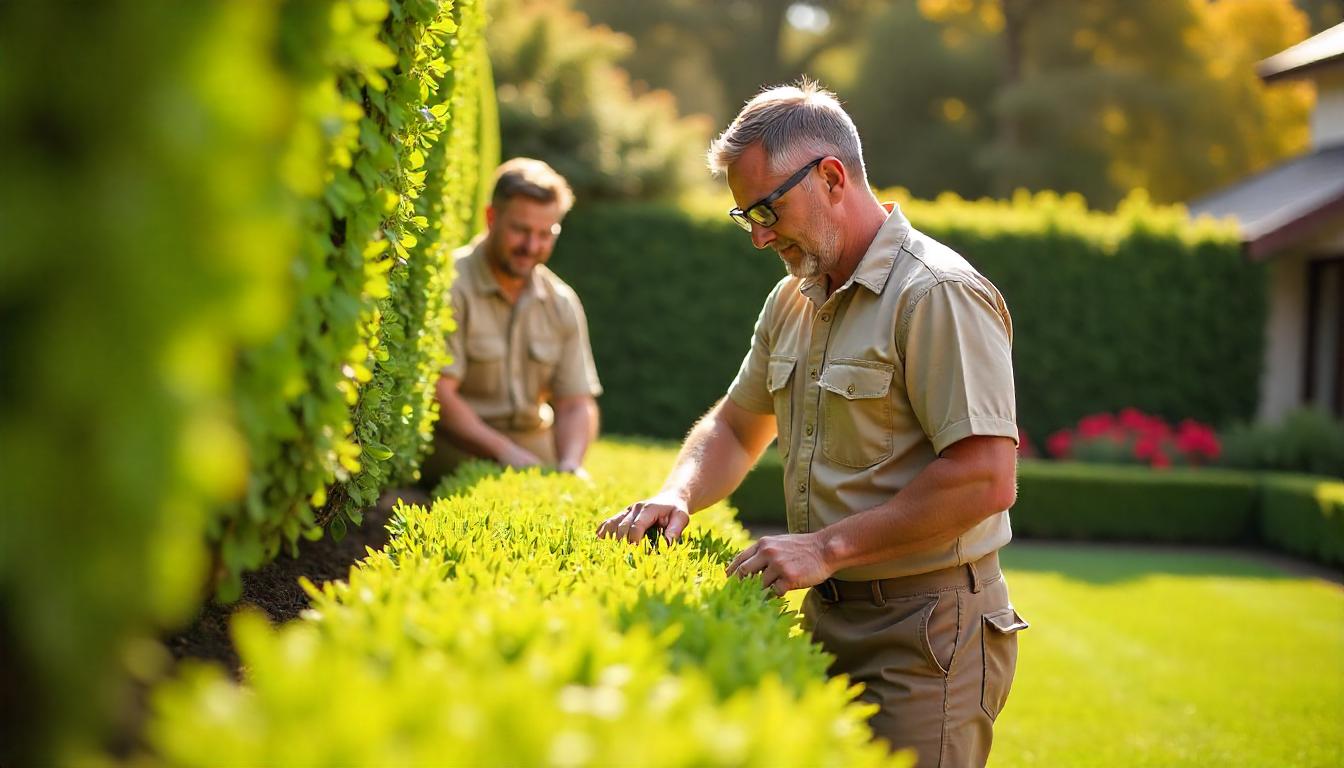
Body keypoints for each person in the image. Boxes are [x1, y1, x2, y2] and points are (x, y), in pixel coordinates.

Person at [596, 81, 1028, 767]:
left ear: (832, 177)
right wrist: (678, 493)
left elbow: (984, 477)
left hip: (926, 635)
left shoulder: (937, 293)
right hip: (826, 616)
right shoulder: (794, 298)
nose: (760, 235)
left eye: (768, 208)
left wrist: (823, 548)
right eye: (747, 217)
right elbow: (738, 427)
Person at [423, 158, 602, 485]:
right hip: (458, 455)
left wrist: (571, 465)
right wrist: (504, 452)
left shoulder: (562, 302)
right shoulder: (449, 284)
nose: (531, 246)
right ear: (491, 218)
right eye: (520, 230)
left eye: (545, 234)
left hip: (534, 454)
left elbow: (576, 402)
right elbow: (439, 394)